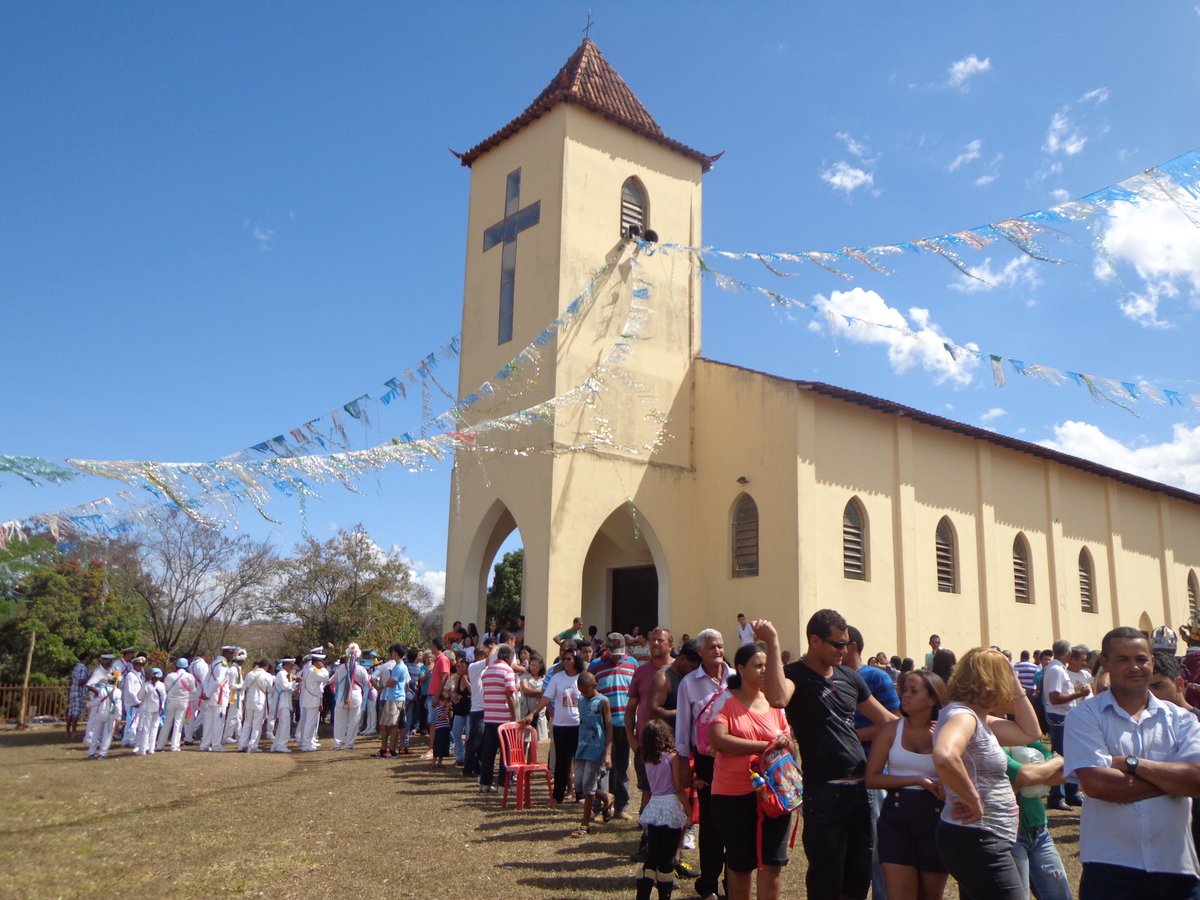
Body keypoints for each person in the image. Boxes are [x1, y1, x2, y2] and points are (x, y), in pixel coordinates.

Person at [757, 611, 897, 900]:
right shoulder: (795, 675)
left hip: (861, 791)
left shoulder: (849, 677)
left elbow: (885, 720)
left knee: (858, 877)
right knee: (826, 877)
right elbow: (778, 698)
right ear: (815, 641)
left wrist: (929, 724)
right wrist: (772, 642)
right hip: (824, 793)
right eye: (837, 644)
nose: (844, 650)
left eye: (846, 644)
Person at [1065, 626, 1200, 899]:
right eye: (1122, 659)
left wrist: (1131, 764)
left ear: (1152, 660)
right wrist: (1173, 782)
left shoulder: (1182, 720)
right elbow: (1097, 784)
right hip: (1110, 865)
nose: (1134, 667)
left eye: (1141, 658)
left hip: (1175, 865)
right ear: (1105, 663)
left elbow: (1196, 780)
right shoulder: (1085, 717)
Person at [931, 647, 1040, 900]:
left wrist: (1014, 682)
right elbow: (945, 755)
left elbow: (1030, 732)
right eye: (1006, 679)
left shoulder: (979, 718)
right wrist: (973, 798)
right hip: (978, 836)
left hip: (983, 836)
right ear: (990, 682)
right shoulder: (963, 717)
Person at [708, 641, 795, 900]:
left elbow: (788, 740)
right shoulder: (724, 702)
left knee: (773, 863)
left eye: (767, 666)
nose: (764, 671)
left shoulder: (774, 702)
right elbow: (718, 740)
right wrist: (764, 746)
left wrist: (785, 743)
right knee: (740, 863)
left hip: (775, 795)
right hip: (733, 794)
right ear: (741, 669)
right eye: (758, 666)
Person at [865, 669, 950, 900]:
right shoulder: (891, 730)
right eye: (904, 689)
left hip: (936, 818)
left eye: (914, 690)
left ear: (932, 698)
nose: (905, 695)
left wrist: (939, 744)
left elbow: (961, 774)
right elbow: (871, 778)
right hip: (897, 818)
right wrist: (916, 780)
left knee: (930, 895)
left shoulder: (948, 732)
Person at [674, 628, 733, 900]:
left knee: (736, 821)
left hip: (736, 759)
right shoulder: (689, 683)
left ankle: (733, 885)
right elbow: (683, 726)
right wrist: (685, 762)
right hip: (708, 762)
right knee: (710, 823)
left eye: (720, 646)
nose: (718, 651)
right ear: (699, 652)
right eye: (712, 647)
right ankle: (708, 884)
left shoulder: (735, 678)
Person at [846, 625, 901, 900]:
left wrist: (851, 735)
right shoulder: (834, 678)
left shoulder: (874, 676)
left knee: (878, 844)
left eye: (841, 644)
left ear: (853, 646)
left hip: (873, 769)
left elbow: (894, 721)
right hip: (844, 775)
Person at [1003, 740, 1071, 900]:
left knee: (1060, 896)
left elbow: (1064, 773)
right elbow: (1024, 775)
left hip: (1039, 829)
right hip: (1010, 835)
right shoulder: (988, 740)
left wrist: (1036, 773)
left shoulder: (1021, 735)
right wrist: (1054, 763)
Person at [636, 718, 690, 900]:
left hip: (655, 805)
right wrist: (689, 812)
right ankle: (664, 894)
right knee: (667, 857)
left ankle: (642, 893)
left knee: (653, 853)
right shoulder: (672, 757)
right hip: (670, 807)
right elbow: (677, 787)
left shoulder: (647, 759)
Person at [526, 638, 583, 805]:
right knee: (561, 762)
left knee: (578, 760)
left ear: (575, 660)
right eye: (563, 659)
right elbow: (546, 698)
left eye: (568, 659)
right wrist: (533, 712)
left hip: (578, 725)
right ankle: (558, 795)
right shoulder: (557, 678)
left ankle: (580, 794)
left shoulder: (582, 677)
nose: (565, 662)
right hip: (560, 725)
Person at [593, 632, 638, 819]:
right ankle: (600, 807)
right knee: (602, 766)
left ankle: (621, 806)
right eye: (614, 653)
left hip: (626, 723)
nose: (617, 656)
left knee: (622, 766)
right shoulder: (595, 665)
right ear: (606, 649)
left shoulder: (633, 663)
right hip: (603, 725)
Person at [1043, 639, 1089, 810]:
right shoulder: (1056, 670)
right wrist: (1079, 695)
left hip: (1064, 715)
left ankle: (1071, 793)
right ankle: (1057, 795)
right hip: (1059, 716)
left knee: (1069, 754)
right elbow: (1054, 698)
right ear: (1068, 654)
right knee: (1060, 756)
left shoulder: (1058, 669)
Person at [571, 670, 614, 837]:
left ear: (594, 686)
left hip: (596, 749)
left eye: (587, 691)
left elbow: (609, 727)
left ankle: (585, 823)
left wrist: (608, 753)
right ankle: (606, 797)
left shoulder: (603, 701)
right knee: (579, 784)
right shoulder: (581, 700)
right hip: (582, 746)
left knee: (588, 787)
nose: (584, 694)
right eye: (581, 691)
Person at [477, 643, 519, 792]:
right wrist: (514, 716)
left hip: (489, 717)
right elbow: (509, 695)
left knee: (488, 752)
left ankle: (485, 783)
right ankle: (503, 784)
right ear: (508, 657)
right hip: (504, 718)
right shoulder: (508, 671)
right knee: (506, 754)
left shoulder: (487, 671)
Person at [329, 644, 371, 751]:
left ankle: (337, 743)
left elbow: (335, 680)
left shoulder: (340, 668)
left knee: (339, 721)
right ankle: (349, 743)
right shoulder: (361, 669)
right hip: (356, 697)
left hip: (342, 697)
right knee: (353, 721)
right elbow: (367, 683)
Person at [199, 646, 237, 751]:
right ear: (227, 654)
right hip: (219, 697)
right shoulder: (222, 664)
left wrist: (206, 693)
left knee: (209, 722)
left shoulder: (214, 663)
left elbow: (205, 680)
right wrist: (208, 694)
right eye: (231, 655)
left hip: (211, 697)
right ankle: (216, 745)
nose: (231, 658)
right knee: (219, 722)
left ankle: (205, 744)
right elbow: (218, 681)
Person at [85, 655, 122, 759]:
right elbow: (118, 706)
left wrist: (88, 704)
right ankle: (102, 753)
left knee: (96, 733)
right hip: (111, 714)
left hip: (101, 712)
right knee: (107, 734)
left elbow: (97, 701)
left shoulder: (103, 690)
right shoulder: (118, 692)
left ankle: (91, 752)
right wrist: (118, 717)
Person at [158, 658, 198, 752]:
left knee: (167, 722)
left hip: (171, 701)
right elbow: (193, 690)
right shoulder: (189, 676)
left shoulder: (170, 676)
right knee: (178, 723)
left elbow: (166, 688)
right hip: (183, 702)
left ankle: (160, 745)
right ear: (186, 666)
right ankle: (174, 746)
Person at [377, 643, 407, 758]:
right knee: (384, 724)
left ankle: (392, 750)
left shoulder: (400, 667)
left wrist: (385, 684)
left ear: (396, 653)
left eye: (393, 651)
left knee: (393, 725)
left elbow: (391, 682)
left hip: (395, 698)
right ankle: (383, 749)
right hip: (392, 697)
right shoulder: (397, 666)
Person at [238, 659, 274, 752]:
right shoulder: (267, 675)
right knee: (257, 724)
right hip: (260, 702)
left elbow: (244, 687)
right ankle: (253, 746)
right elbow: (270, 690)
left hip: (249, 701)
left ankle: (242, 745)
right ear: (266, 667)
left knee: (247, 723)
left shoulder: (250, 674)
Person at [298, 652, 330, 751]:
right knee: (310, 722)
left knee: (309, 722)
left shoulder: (309, 669)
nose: (322, 663)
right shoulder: (314, 670)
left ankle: (307, 742)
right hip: (312, 700)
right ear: (317, 662)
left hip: (310, 699)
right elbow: (326, 678)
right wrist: (324, 668)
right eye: (321, 662)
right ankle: (306, 744)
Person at [132, 667, 167, 756]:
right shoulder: (162, 685)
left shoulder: (146, 685)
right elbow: (163, 698)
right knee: (154, 728)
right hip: (158, 709)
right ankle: (151, 749)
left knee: (146, 728)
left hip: (148, 709)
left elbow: (140, 697)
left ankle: (143, 749)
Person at [518, 652, 548, 740]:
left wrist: (541, 693)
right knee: (525, 741)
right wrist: (542, 693)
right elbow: (525, 690)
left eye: (535, 665)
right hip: (526, 714)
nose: (533, 667)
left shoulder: (545, 678)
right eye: (531, 665)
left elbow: (548, 694)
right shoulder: (525, 677)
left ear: (540, 666)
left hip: (540, 716)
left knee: (540, 744)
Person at [449, 656, 472, 764]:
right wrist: (454, 695)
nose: (462, 669)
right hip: (459, 709)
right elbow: (454, 692)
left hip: (469, 709)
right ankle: (460, 756)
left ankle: (469, 757)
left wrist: (467, 682)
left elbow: (473, 692)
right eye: (460, 666)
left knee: (469, 734)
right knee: (456, 732)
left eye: (464, 667)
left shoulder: (471, 678)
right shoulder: (457, 678)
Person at [270, 658, 296, 753]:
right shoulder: (282, 674)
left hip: (285, 701)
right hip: (282, 701)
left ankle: (277, 745)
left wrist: (294, 684)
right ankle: (281, 745)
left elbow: (290, 689)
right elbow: (285, 686)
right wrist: (293, 681)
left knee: (282, 725)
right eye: (290, 665)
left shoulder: (285, 674)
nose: (292, 667)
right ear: (285, 665)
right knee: (285, 724)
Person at [120, 656, 146, 748]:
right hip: (132, 703)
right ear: (135, 665)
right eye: (139, 665)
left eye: (142, 665)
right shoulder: (130, 675)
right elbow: (130, 690)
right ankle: (131, 740)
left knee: (133, 721)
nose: (141, 667)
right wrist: (137, 701)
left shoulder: (139, 675)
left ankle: (125, 740)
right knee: (132, 722)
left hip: (138, 702)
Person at [185, 651, 209, 745]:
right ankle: (205, 738)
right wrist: (206, 693)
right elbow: (204, 680)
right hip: (200, 692)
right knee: (207, 714)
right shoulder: (203, 665)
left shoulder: (191, 665)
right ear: (204, 656)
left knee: (190, 716)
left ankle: (188, 738)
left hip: (192, 692)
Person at [66, 651, 92, 739]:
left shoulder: (76, 667)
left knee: (71, 712)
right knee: (76, 713)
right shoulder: (83, 668)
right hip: (79, 692)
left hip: (73, 691)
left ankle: (68, 731)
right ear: (85, 658)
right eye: (89, 658)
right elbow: (80, 681)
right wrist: (89, 677)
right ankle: (74, 731)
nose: (90, 660)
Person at [431, 684, 453, 766]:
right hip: (440, 730)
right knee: (438, 746)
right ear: (440, 701)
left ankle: (440, 762)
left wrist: (450, 709)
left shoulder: (445, 709)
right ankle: (433, 762)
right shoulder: (437, 709)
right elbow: (443, 717)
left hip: (446, 729)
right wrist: (446, 708)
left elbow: (450, 716)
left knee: (444, 746)